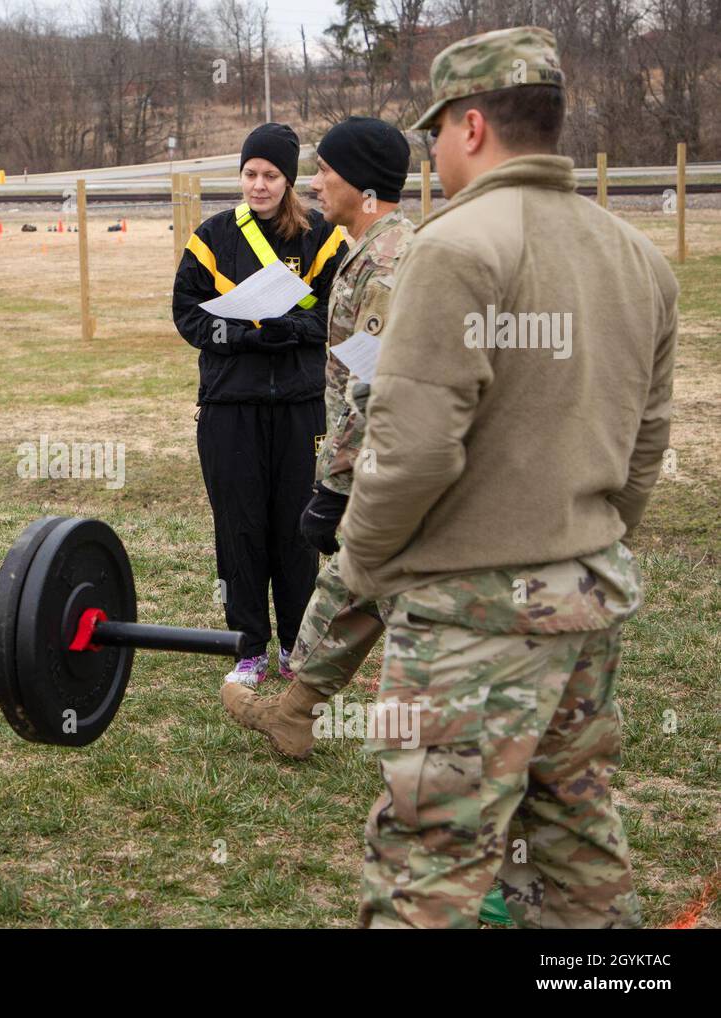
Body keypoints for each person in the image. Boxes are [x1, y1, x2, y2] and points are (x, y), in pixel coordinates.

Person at [335, 26, 676, 928]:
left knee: (429, 863)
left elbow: (410, 451)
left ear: (472, 126)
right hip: (588, 602)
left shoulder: (451, 249)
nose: (435, 154)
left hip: (468, 619)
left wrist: (361, 561)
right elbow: (646, 446)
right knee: (576, 849)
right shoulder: (636, 256)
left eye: (435, 133)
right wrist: (579, 547)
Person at [220, 116, 413, 756]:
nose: (318, 181)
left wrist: (333, 484)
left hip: (391, 463)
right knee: (357, 586)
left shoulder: (385, 261)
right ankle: (295, 713)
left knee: (388, 593)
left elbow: (373, 383)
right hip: (381, 459)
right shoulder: (370, 248)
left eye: (327, 169)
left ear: (360, 184)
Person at [172, 122, 348, 688]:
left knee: (296, 531)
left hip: (300, 406)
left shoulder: (322, 236)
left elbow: (341, 312)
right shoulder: (212, 236)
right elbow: (188, 314)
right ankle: (247, 646)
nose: (259, 185)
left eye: (271, 175)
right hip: (230, 406)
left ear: (289, 180)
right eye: (250, 174)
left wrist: (293, 328)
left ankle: (297, 645)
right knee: (240, 528)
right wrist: (245, 337)